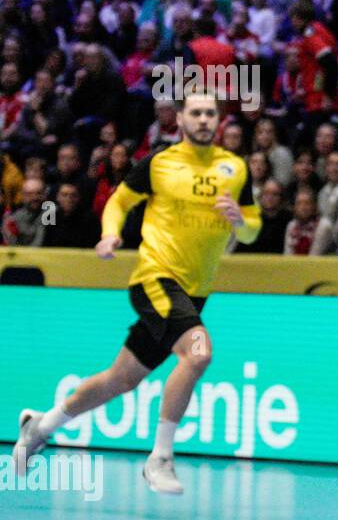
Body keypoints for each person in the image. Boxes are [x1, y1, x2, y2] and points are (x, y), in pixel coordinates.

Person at [13, 92, 261, 494]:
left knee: (119, 380)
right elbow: (119, 202)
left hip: (195, 292)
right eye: (194, 112)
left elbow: (252, 227)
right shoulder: (160, 164)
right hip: (155, 279)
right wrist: (110, 234)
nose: (202, 119)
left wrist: (239, 220)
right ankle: (160, 458)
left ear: (218, 120)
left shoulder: (235, 168)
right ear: (180, 118)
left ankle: (40, 425)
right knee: (199, 352)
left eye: (209, 113)